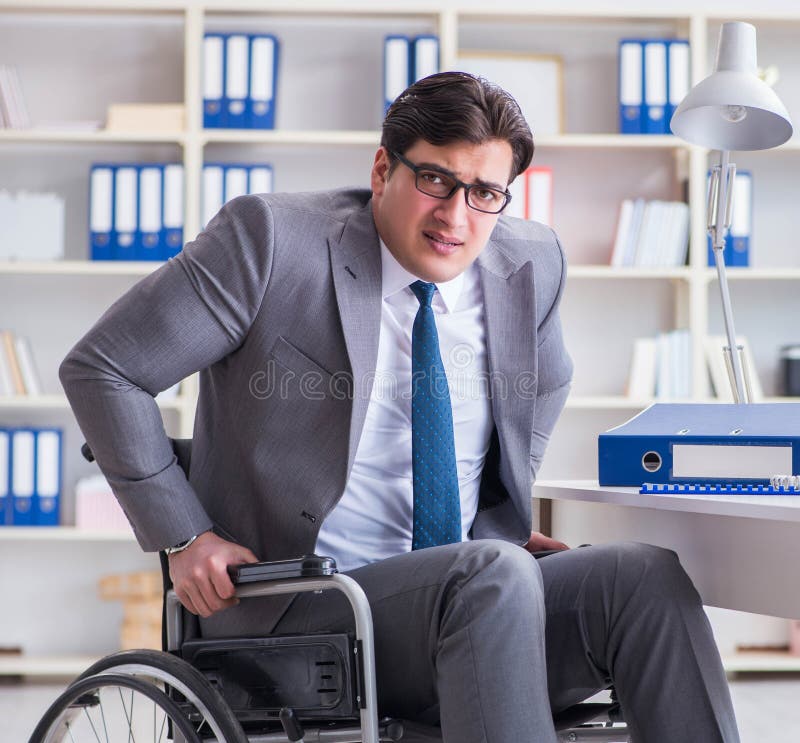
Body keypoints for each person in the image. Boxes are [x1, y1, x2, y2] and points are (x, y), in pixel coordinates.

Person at [60, 71, 739, 742]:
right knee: (491, 575)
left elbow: (548, 380)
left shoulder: (533, 260)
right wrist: (185, 535)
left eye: (484, 193)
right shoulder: (271, 241)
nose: (455, 216)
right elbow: (104, 367)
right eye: (435, 180)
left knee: (643, 576)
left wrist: (492, 510)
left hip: (473, 593)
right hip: (301, 607)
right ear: (383, 167)